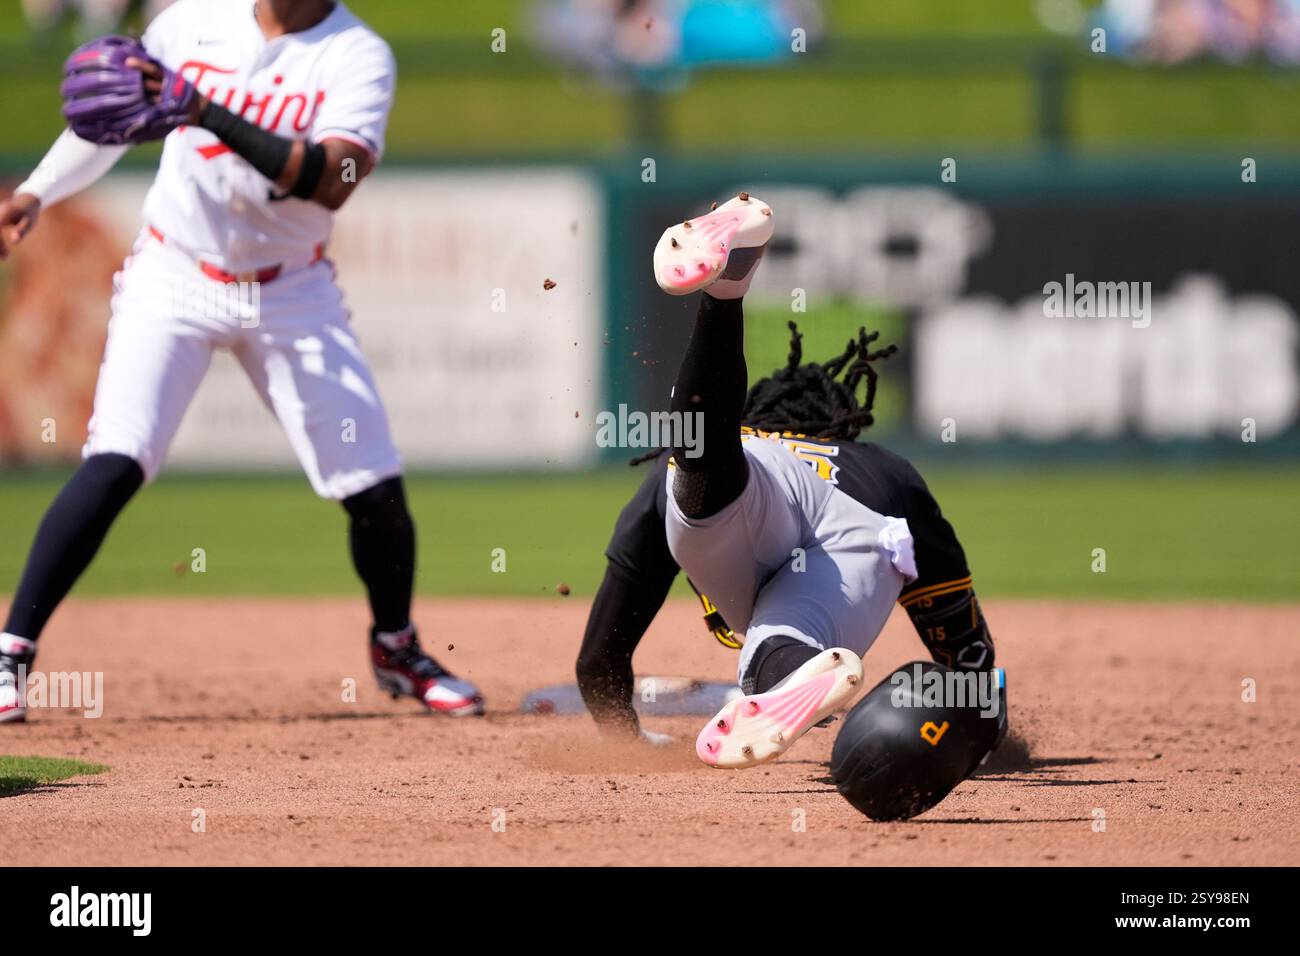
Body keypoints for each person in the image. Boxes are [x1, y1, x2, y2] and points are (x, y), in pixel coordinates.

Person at [0, 0, 483, 723]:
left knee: (373, 484)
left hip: (290, 289)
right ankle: (10, 652)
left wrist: (204, 110)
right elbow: (109, 116)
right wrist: (37, 191)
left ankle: (396, 648)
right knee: (117, 457)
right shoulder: (190, 20)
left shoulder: (356, 54)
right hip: (175, 272)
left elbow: (331, 178)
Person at [575, 194, 1000, 766]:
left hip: (749, 482)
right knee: (771, 643)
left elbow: (598, 663)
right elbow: (964, 650)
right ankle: (786, 676)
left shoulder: (745, 448)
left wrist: (626, 743)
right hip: (857, 525)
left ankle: (725, 292)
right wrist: (982, 725)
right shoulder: (886, 469)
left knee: (702, 469)